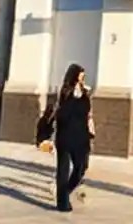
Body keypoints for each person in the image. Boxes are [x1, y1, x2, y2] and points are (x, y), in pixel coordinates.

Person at [36, 63, 95, 213]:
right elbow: (52, 114)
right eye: (80, 75)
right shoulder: (63, 93)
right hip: (65, 136)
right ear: (74, 75)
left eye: (83, 75)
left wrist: (91, 130)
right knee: (63, 170)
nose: (82, 78)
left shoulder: (85, 93)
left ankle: (64, 192)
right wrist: (45, 137)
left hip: (81, 137)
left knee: (81, 168)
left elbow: (89, 115)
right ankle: (63, 203)